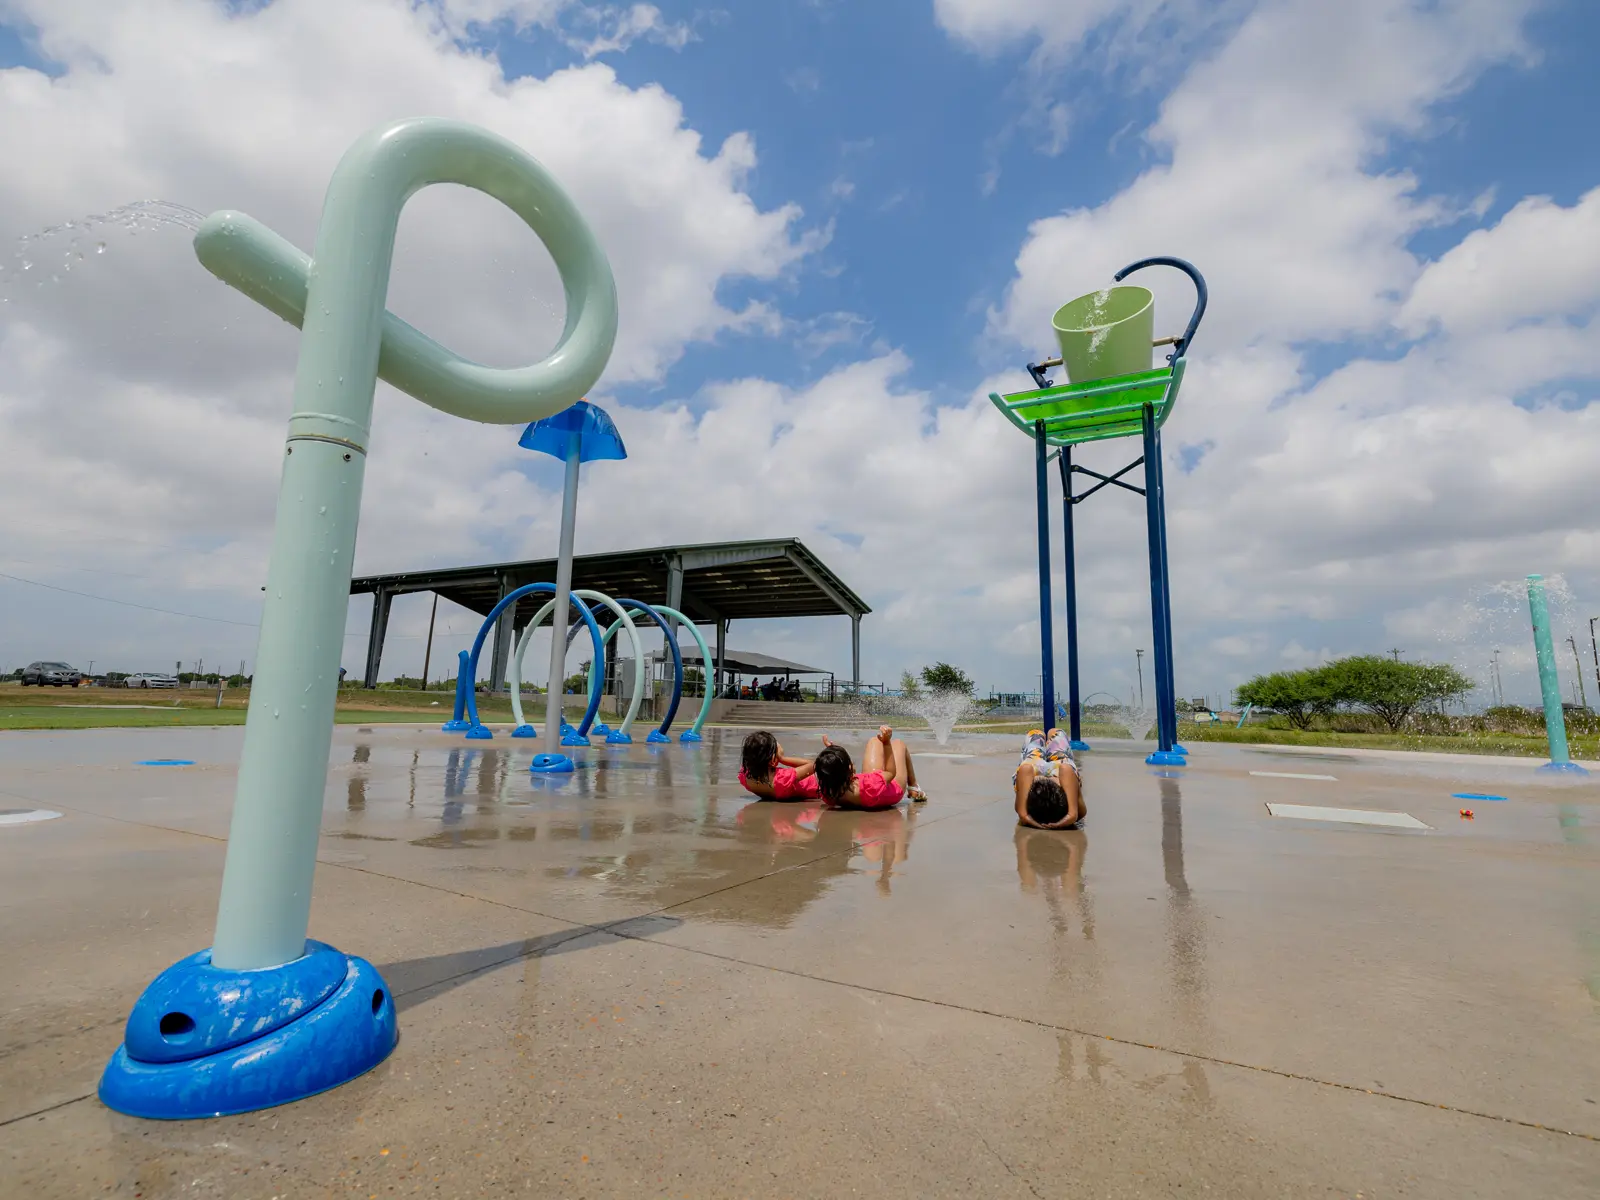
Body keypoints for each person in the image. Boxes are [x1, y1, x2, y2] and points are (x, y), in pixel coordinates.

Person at [813, 725, 928, 810]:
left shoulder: (828, 792)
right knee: (898, 744)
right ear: (849, 769)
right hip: (893, 787)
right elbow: (890, 772)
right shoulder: (871, 785)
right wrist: (887, 743)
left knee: (874, 741)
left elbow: (832, 771)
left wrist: (831, 753)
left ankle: (913, 787)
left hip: (868, 786)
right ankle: (913, 787)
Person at [1014, 728, 1085, 829]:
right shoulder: (1073, 807)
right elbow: (1066, 769)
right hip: (1056, 768)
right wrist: (1071, 815)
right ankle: (1050, 735)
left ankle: (1041, 735)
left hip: (1035, 768)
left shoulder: (1024, 806)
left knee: (1036, 734)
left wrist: (1025, 817)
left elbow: (1025, 769)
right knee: (1054, 732)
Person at [738, 730, 821, 801]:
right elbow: (816, 765)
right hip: (822, 786)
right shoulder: (782, 779)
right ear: (773, 760)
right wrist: (782, 759)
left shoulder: (745, 777)